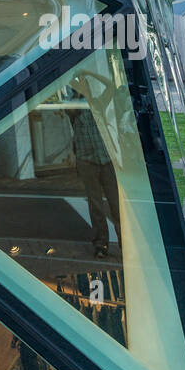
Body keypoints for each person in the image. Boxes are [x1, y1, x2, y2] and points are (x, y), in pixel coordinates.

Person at [70, 105, 121, 259]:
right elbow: (71, 110)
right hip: (86, 158)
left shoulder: (99, 100)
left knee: (116, 203)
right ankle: (101, 243)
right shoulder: (74, 104)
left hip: (106, 157)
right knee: (95, 203)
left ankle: (125, 243)